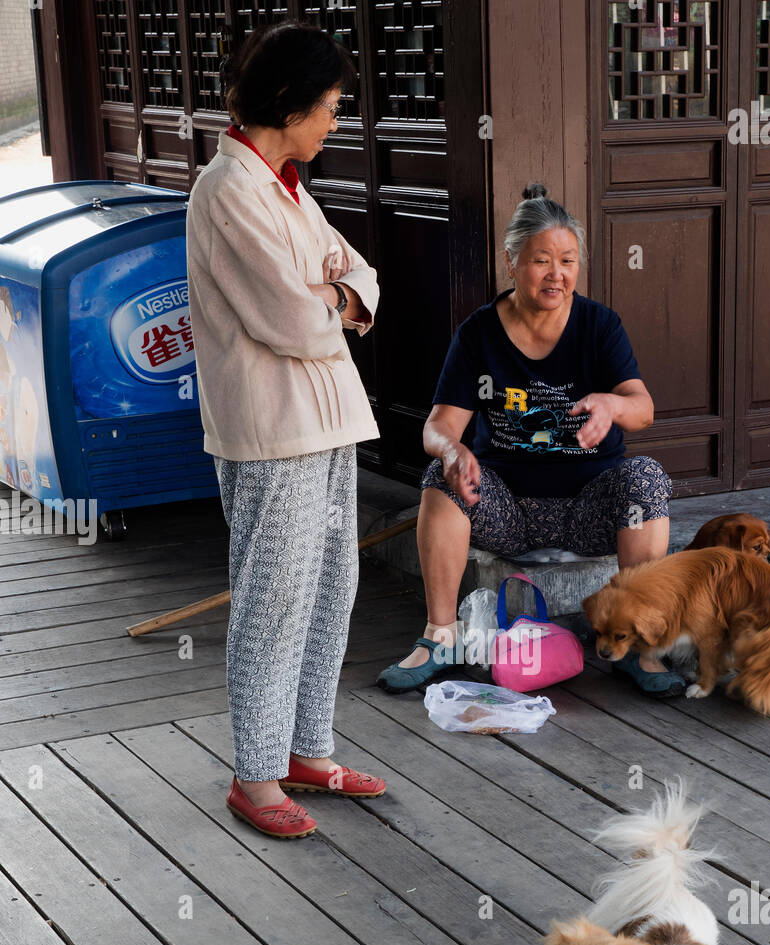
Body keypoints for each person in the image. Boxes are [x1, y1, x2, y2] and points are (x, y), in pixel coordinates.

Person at [186, 22, 386, 840]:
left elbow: (360, 278)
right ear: (290, 102)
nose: (334, 121)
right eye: (331, 106)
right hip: (273, 430)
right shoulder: (228, 189)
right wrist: (332, 296)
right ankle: (256, 775)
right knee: (273, 600)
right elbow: (294, 319)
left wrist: (333, 294)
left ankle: (308, 749)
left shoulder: (286, 186)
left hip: (328, 420)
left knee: (332, 589)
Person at [376, 183, 682, 698]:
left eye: (567, 260)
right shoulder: (478, 334)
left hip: (588, 509)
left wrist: (612, 405)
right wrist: (454, 449)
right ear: (512, 261)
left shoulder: (599, 326)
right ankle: (441, 637)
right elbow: (437, 425)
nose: (557, 274)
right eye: (543, 260)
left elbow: (644, 408)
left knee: (646, 478)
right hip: (508, 510)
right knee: (438, 475)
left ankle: (642, 647)